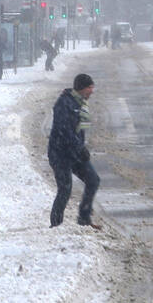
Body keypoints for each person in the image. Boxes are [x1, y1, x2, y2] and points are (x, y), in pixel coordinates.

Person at [47, 73, 101, 228]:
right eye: (90, 87)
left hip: (74, 153)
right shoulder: (64, 103)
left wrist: (80, 148)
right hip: (60, 154)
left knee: (93, 180)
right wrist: (79, 147)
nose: (92, 91)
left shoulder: (80, 103)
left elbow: (77, 131)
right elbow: (64, 130)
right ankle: (56, 225)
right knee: (65, 189)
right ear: (83, 88)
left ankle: (84, 218)